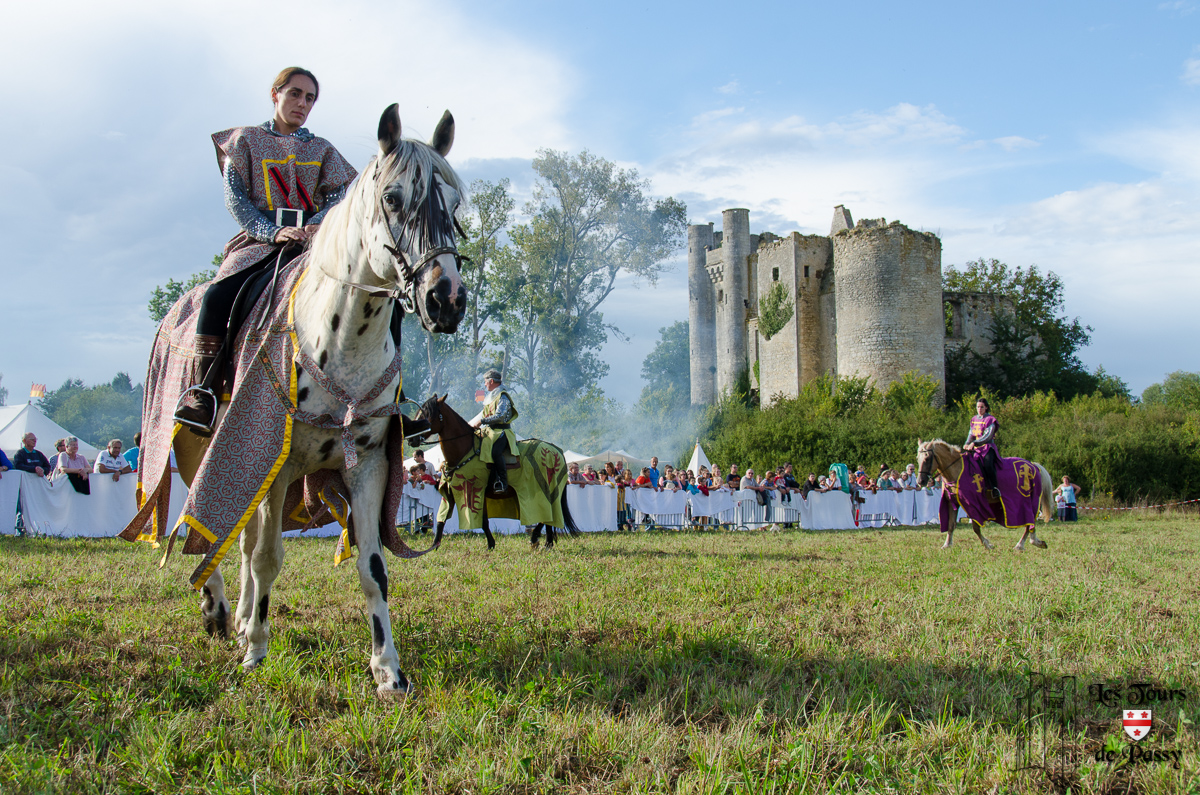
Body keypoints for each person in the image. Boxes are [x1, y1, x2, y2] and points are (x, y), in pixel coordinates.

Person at [174, 66, 358, 435]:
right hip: (259, 241)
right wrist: (272, 232)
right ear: (275, 94)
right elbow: (235, 199)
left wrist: (314, 225)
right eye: (295, 93)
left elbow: (339, 198)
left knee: (366, 288)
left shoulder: (322, 150)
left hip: (311, 243)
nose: (302, 103)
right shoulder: (245, 140)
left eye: (310, 98)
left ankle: (379, 398)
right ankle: (203, 391)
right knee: (215, 296)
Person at [469, 369, 519, 495]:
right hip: (490, 431)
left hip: (502, 431)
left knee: (496, 452)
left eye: (486, 382)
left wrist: (481, 421)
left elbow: (500, 416)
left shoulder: (502, 395)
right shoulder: (490, 397)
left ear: (491, 381)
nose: (485, 385)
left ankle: (502, 482)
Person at [964, 398, 1001, 498]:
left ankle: (994, 488)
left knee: (988, 465)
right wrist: (967, 443)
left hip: (987, 447)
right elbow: (970, 434)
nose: (979, 409)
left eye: (981, 407)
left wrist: (975, 443)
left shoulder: (990, 420)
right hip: (975, 448)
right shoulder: (974, 419)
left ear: (986, 408)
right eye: (978, 407)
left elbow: (988, 435)